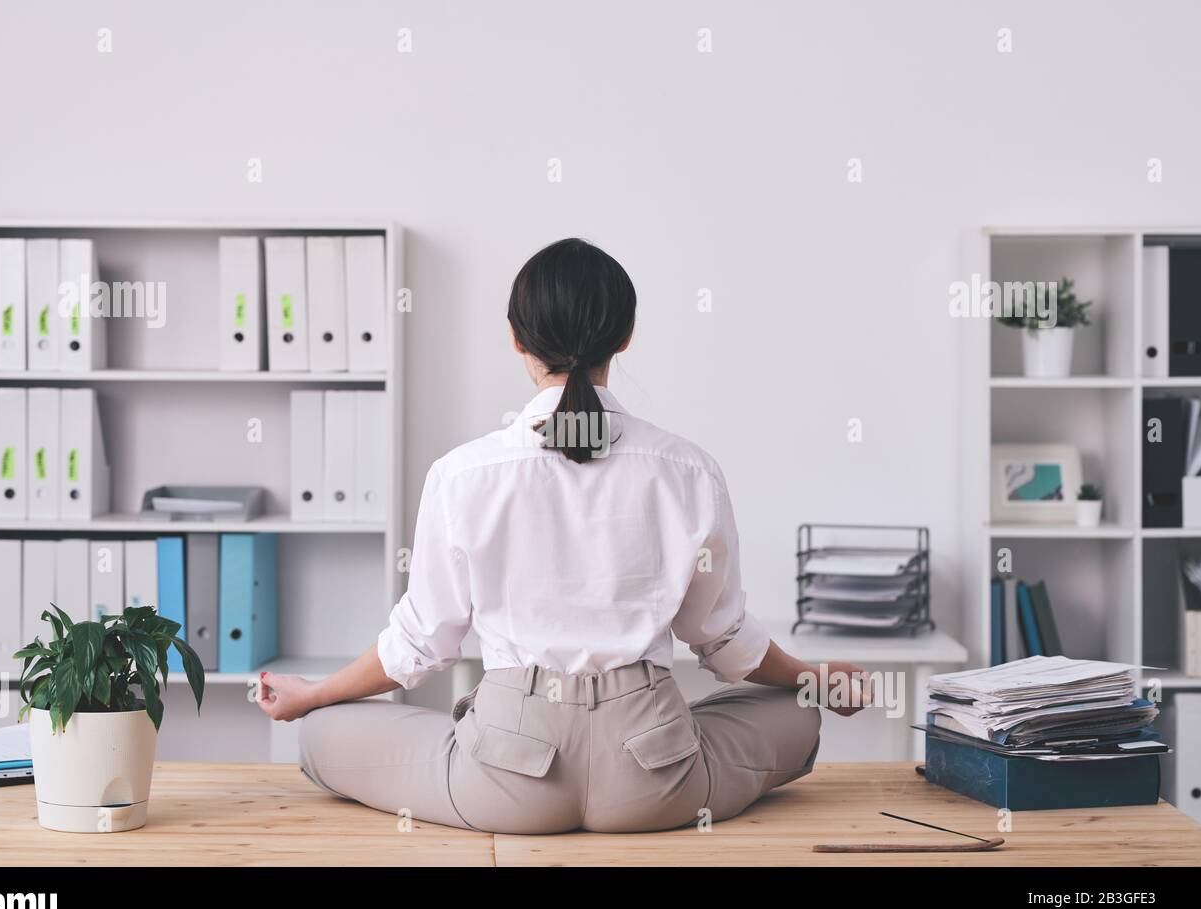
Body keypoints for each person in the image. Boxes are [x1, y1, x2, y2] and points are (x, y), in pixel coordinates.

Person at [258, 237, 868, 834]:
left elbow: (421, 643)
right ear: (625, 336)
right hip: (656, 778)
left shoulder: (462, 474)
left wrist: (312, 695)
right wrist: (814, 677)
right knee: (797, 710)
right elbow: (725, 643)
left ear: (516, 338)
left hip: (504, 779)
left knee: (321, 731)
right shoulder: (689, 469)